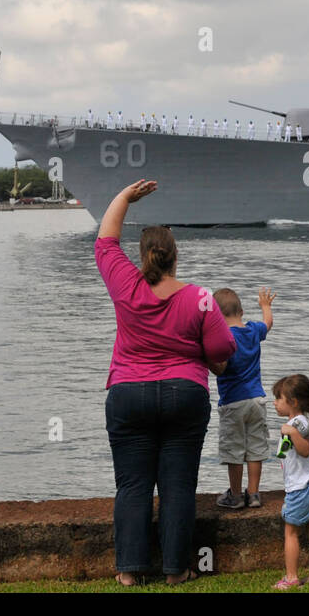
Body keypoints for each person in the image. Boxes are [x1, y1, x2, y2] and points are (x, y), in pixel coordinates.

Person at [95, 179, 236, 586]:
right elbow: (222, 349)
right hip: (184, 395)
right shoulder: (201, 298)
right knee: (178, 486)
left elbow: (105, 243)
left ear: (142, 256)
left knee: (132, 484)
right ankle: (176, 570)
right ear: (176, 258)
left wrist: (123, 196)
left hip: (127, 393)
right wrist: (207, 361)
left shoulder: (125, 284)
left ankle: (128, 571)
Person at [210, 286, 274, 511]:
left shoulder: (222, 337)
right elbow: (268, 324)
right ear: (242, 311)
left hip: (232, 402)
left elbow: (219, 367)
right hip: (257, 400)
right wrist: (265, 306)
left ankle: (235, 495)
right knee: (256, 446)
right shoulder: (253, 330)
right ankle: (254, 493)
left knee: (234, 450)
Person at [271, 374, 309, 589]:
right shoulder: (300, 421)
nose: (275, 403)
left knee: (291, 534)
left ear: (293, 402)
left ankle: (291, 577)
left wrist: (292, 432)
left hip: (301, 489)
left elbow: (305, 450)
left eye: (279, 398)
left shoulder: (297, 423)